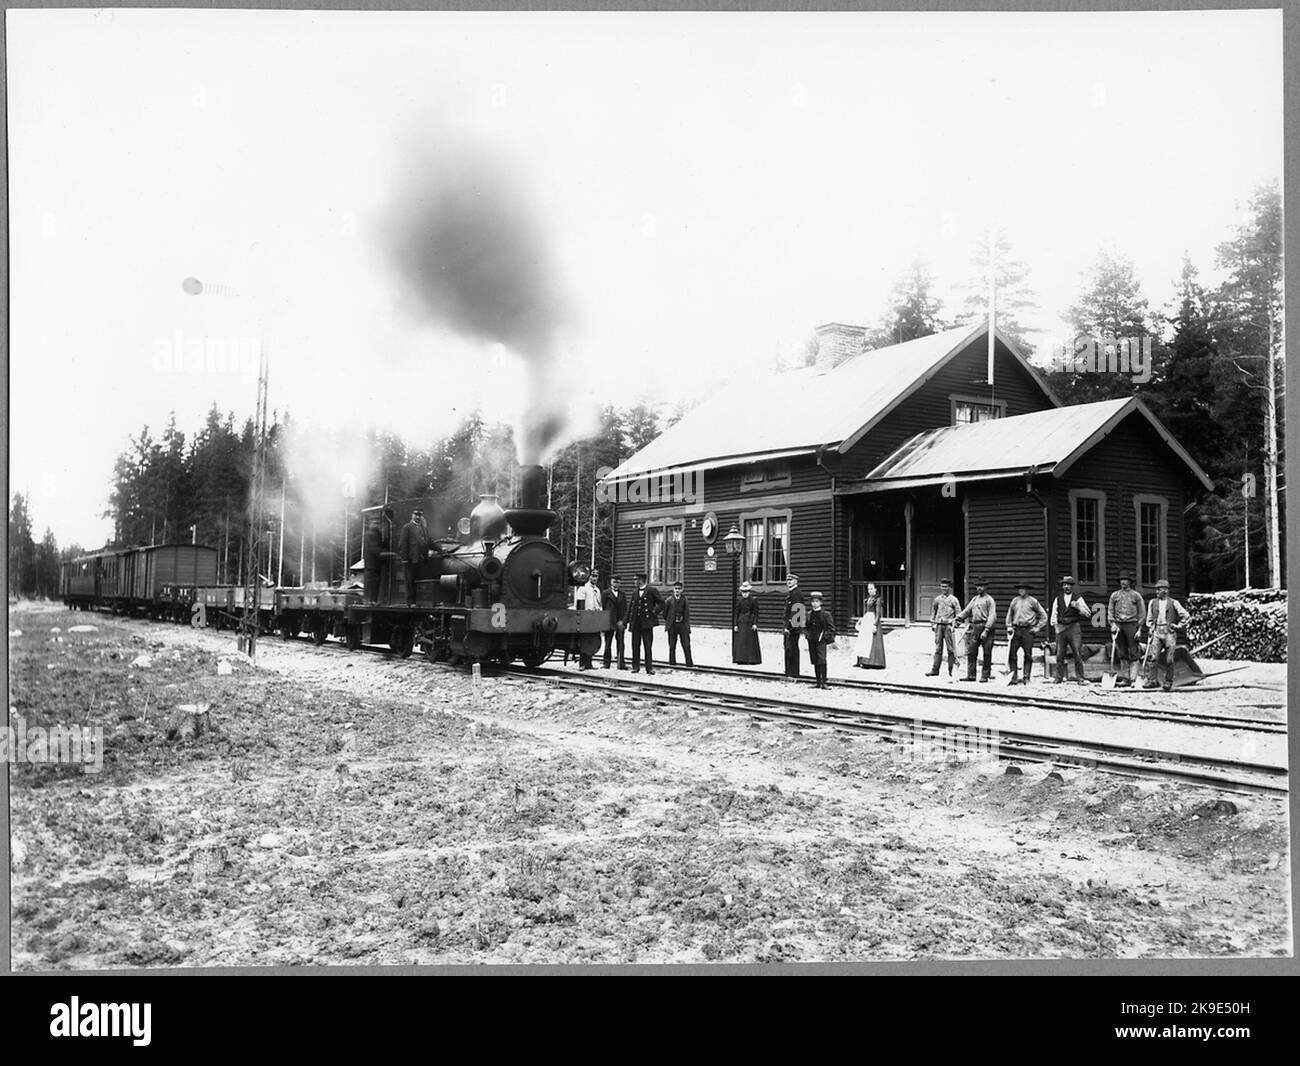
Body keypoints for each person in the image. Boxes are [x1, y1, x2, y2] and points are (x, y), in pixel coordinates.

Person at [1143, 578, 1190, 692]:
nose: (1157, 592)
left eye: (1159, 589)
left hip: (1169, 633)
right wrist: (1151, 628)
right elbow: (1149, 619)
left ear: (1166, 590)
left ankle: (1168, 681)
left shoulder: (1174, 602)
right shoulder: (1152, 603)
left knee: (1169, 659)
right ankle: (1152, 680)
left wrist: (1178, 626)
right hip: (1157, 631)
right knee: (1153, 658)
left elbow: (1186, 616)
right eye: (1157, 590)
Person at [1049, 575, 1091, 684]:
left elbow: (1088, 614)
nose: (1066, 587)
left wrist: (1078, 607)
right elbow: (1054, 614)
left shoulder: (1078, 598)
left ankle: (1080, 678)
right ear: (1062, 586)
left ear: (1072, 586)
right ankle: (1059, 677)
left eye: (1069, 585)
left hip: (1074, 627)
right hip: (1061, 627)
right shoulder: (1058, 598)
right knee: (1060, 654)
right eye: (1064, 585)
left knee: (1077, 653)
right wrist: (1056, 626)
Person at [1005, 580, 1047, 685]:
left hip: (1028, 631)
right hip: (1016, 630)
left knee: (1028, 655)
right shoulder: (1015, 601)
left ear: (1027, 590)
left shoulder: (1033, 601)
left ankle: (1026, 677)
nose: (1021, 590)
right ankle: (1013, 677)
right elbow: (1009, 615)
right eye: (1020, 588)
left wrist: (1037, 628)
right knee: (1012, 654)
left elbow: (1044, 616)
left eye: (1023, 589)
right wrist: (1009, 626)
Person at [1107, 570, 1145, 688]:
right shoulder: (1115, 595)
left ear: (1129, 582)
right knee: (1122, 652)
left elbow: (1142, 613)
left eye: (1126, 580)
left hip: (1132, 625)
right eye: (1122, 580)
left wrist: (1139, 629)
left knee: (1133, 652)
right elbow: (1110, 611)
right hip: (1119, 625)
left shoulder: (1136, 595)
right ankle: (1125, 678)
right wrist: (1112, 624)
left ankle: (1134, 679)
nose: (1123, 582)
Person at [956, 576, 997, 682]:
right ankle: (971, 675)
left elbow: (992, 616)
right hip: (975, 627)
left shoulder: (989, 600)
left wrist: (986, 630)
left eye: (981, 586)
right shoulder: (975, 599)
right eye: (977, 586)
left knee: (987, 652)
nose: (979, 588)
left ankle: (985, 675)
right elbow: (967, 611)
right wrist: (958, 619)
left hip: (986, 627)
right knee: (971, 651)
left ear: (985, 587)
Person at [628, 573, 664, 674]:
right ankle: (635, 667)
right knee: (635, 645)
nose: (634, 581)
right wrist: (625, 621)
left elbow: (662, 603)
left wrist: (654, 612)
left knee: (647, 646)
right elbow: (631, 607)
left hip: (647, 623)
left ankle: (649, 668)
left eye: (636, 579)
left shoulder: (651, 590)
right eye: (634, 579)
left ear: (642, 580)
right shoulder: (635, 592)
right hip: (636, 623)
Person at [925, 578, 961, 677]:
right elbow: (933, 612)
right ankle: (935, 670)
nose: (943, 588)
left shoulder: (954, 600)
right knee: (938, 649)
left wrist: (955, 625)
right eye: (942, 586)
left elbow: (959, 615)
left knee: (950, 649)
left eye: (945, 587)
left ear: (949, 587)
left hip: (948, 626)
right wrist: (932, 624)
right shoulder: (937, 599)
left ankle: (951, 671)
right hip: (939, 626)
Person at [397, 508, 430, 606]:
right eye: (416, 514)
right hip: (410, 560)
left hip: (421, 559)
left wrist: (441, 549)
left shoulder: (424, 529)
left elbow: (430, 541)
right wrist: (405, 559)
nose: (418, 517)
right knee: (409, 581)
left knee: (417, 581)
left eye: (420, 515)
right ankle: (410, 602)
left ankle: (418, 600)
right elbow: (402, 544)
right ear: (412, 515)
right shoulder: (407, 527)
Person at [573, 568, 603, 670]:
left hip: (595, 617)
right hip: (586, 617)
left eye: (596, 576)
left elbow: (598, 603)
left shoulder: (597, 590)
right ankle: (582, 663)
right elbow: (580, 605)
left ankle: (589, 663)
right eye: (593, 576)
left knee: (592, 639)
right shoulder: (583, 589)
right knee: (584, 640)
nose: (594, 578)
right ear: (589, 576)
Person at [853, 581, 886, 668]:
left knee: (870, 640)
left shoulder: (877, 599)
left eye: (871, 588)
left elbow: (878, 613)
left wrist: (875, 624)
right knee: (863, 640)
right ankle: (860, 660)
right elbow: (865, 611)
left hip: (872, 618)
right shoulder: (867, 599)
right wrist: (861, 619)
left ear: (875, 589)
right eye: (868, 589)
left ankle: (871, 662)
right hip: (867, 618)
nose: (870, 590)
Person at [806, 592, 835, 688]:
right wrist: (807, 634)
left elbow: (831, 628)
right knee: (815, 660)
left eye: (817, 601)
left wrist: (824, 638)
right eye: (813, 601)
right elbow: (806, 626)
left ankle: (824, 682)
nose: (814, 603)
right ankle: (818, 682)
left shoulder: (826, 615)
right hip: (812, 639)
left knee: (822, 660)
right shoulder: (809, 614)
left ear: (821, 603)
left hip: (821, 640)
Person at [662, 581, 694, 667]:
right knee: (672, 645)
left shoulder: (684, 600)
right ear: (673, 589)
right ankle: (672, 663)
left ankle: (689, 664)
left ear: (682, 590)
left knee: (686, 645)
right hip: (672, 626)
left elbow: (687, 613)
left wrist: (686, 625)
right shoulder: (669, 600)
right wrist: (670, 621)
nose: (677, 590)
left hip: (682, 625)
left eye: (679, 589)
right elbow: (664, 614)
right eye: (675, 588)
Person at [782, 574, 806, 679]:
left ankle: (792, 672)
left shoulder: (796, 594)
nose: (789, 582)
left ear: (796, 581)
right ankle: (790, 671)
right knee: (790, 648)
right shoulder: (792, 593)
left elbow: (796, 611)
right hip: (792, 625)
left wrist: (789, 627)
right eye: (787, 580)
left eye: (791, 580)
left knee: (791, 648)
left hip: (793, 627)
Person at [603, 575, 628, 670]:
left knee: (621, 642)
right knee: (608, 643)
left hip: (620, 622)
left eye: (618, 582)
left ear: (620, 583)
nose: (616, 584)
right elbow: (603, 607)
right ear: (611, 582)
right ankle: (606, 663)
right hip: (609, 621)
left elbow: (625, 608)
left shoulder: (622, 593)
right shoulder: (605, 593)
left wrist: (623, 621)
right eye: (614, 582)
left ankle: (621, 663)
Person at [732, 581, 761, 664]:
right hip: (741, 623)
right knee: (741, 641)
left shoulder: (753, 600)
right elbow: (736, 613)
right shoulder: (739, 601)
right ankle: (740, 659)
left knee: (750, 642)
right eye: (743, 592)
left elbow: (756, 613)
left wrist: (755, 623)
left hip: (750, 623)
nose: (745, 594)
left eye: (746, 592)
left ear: (749, 592)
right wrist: (735, 624)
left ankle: (752, 659)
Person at [361, 517, 384, 605]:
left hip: (376, 563)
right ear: (370, 524)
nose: (376, 525)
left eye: (377, 523)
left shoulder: (378, 534)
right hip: (371, 563)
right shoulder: (369, 534)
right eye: (374, 523)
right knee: (371, 582)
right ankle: (369, 600)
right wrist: (382, 552)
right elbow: (372, 547)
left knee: (375, 582)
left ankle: (373, 600)